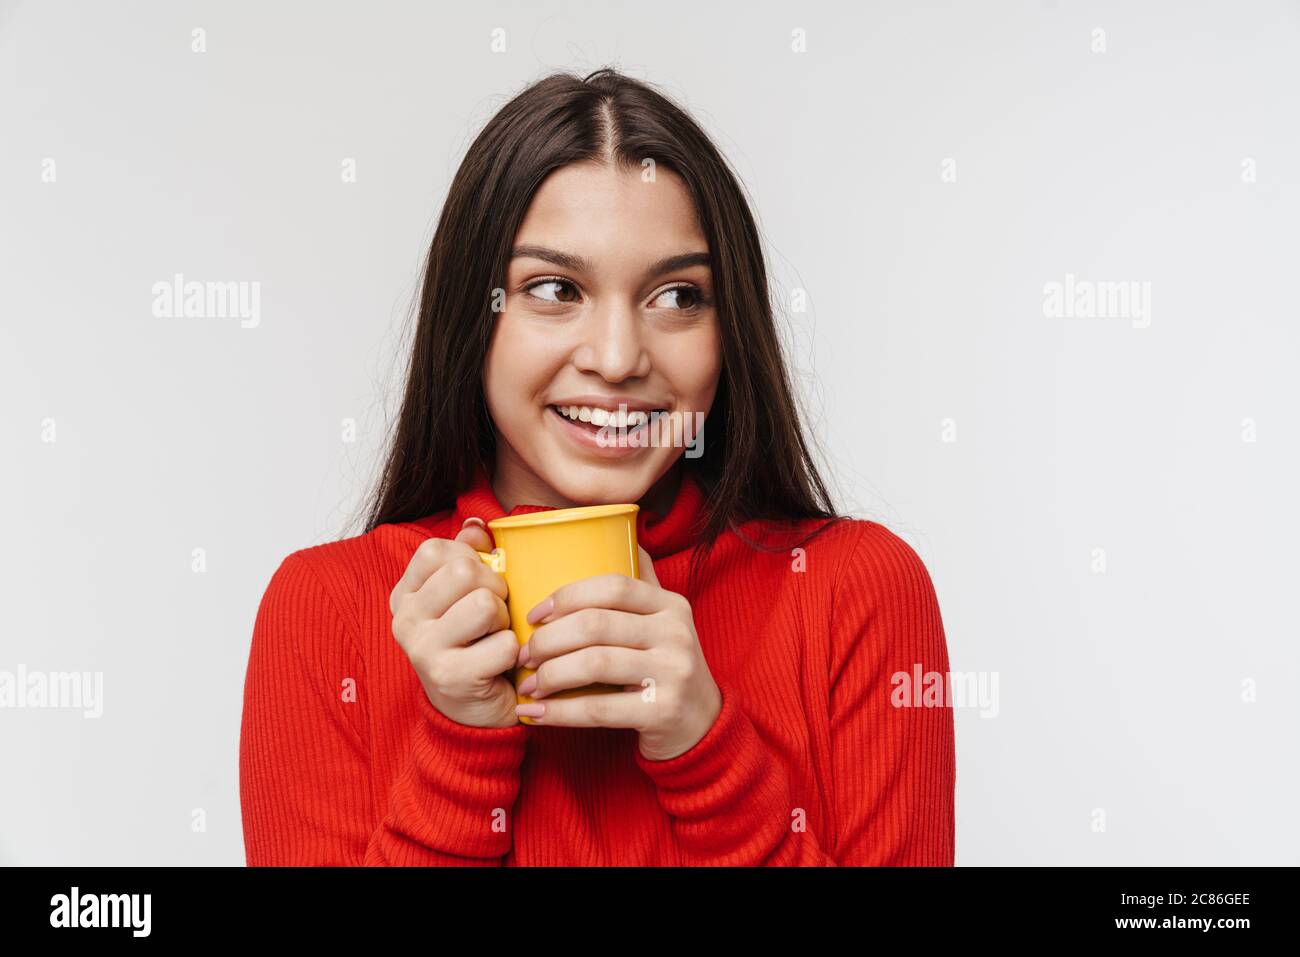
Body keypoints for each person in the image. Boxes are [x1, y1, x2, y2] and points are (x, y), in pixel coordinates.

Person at [239, 67, 955, 866]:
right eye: (554, 288)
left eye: (679, 296)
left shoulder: (859, 592)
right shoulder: (327, 611)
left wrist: (704, 748)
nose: (617, 359)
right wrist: (460, 745)